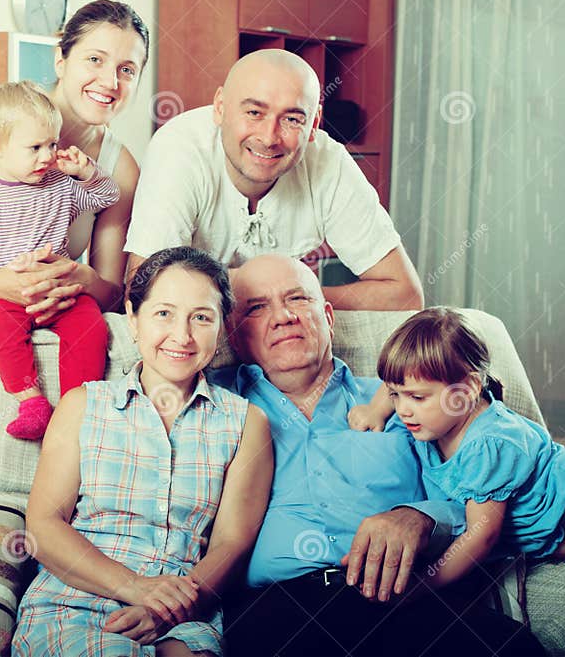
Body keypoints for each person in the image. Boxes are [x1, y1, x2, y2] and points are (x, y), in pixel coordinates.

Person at [211, 254, 545, 656]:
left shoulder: (410, 401)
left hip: (397, 598)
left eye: (298, 299)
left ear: (328, 317)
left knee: (513, 649)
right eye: (258, 307)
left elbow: (481, 493)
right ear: (235, 332)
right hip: (277, 608)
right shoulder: (216, 405)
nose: (283, 317)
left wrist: (422, 516)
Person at [11, 247, 273, 656]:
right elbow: (43, 525)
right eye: (163, 313)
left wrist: (167, 609)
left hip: (185, 608)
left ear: (222, 328)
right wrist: (133, 587)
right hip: (75, 598)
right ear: (133, 318)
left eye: (201, 317)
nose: (182, 336)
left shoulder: (246, 422)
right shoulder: (84, 405)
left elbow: (232, 543)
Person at [347, 307, 565, 648]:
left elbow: (482, 536)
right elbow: (400, 384)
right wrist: (375, 409)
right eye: (395, 394)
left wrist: (423, 587)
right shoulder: (430, 418)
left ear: (469, 388)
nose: (403, 409)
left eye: (417, 398)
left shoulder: (487, 444)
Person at [124, 49, 423, 311]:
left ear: (315, 123)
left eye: (292, 119)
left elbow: (406, 294)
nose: (269, 138)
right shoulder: (178, 148)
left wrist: (295, 295)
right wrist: (273, 288)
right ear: (220, 108)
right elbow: (142, 287)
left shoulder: (330, 161)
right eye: (254, 112)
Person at [0, 0, 148, 319]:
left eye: (127, 70)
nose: (110, 82)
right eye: (95, 59)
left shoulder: (119, 168)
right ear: (60, 60)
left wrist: (85, 281)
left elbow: (111, 295)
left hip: (42, 327)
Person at [0, 81, 118, 440]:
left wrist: (87, 173)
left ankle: (75, 406)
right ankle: (31, 401)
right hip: (5, 297)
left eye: (52, 144)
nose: (47, 156)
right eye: (34, 147)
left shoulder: (61, 185)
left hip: (60, 292)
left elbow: (108, 195)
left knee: (91, 326)